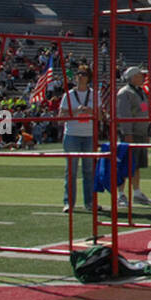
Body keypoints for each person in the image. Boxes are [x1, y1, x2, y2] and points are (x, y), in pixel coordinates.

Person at [58, 64, 99, 213]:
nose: (80, 76)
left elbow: (100, 116)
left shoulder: (95, 94)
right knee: (71, 171)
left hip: (89, 134)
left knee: (89, 170)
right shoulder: (68, 95)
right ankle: (69, 202)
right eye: (78, 73)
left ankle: (90, 202)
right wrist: (75, 111)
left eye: (83, 74)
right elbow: (60, 117)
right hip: (72, 134)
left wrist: (91, 111)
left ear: (88, 78)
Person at [115, 65, 151, 205]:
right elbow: (124, 114)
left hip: (141, 132)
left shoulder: (141, 92)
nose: (143, 77)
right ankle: (120, 193)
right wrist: (127, 133)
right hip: (132, 133)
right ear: (133, 77)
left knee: (137, 165)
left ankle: (136, 191)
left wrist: (146, 130)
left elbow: (144, 111)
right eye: (139, 75)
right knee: (126, 163)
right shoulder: (124, 93)